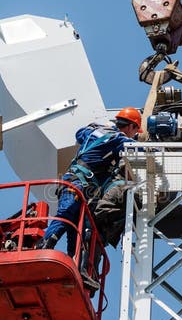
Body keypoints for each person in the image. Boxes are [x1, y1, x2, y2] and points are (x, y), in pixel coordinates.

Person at [39, 108, 142, 261]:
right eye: (135, 131)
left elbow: (79, 133)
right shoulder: (118, 138)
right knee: (67, 214)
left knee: (75, 225)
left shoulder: (94, 132)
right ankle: (45, 246)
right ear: (131, 126)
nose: (135, 134)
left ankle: (73, 262)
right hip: (79, 183)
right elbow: (137, 147)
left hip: (73, 180)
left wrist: (93, 128)